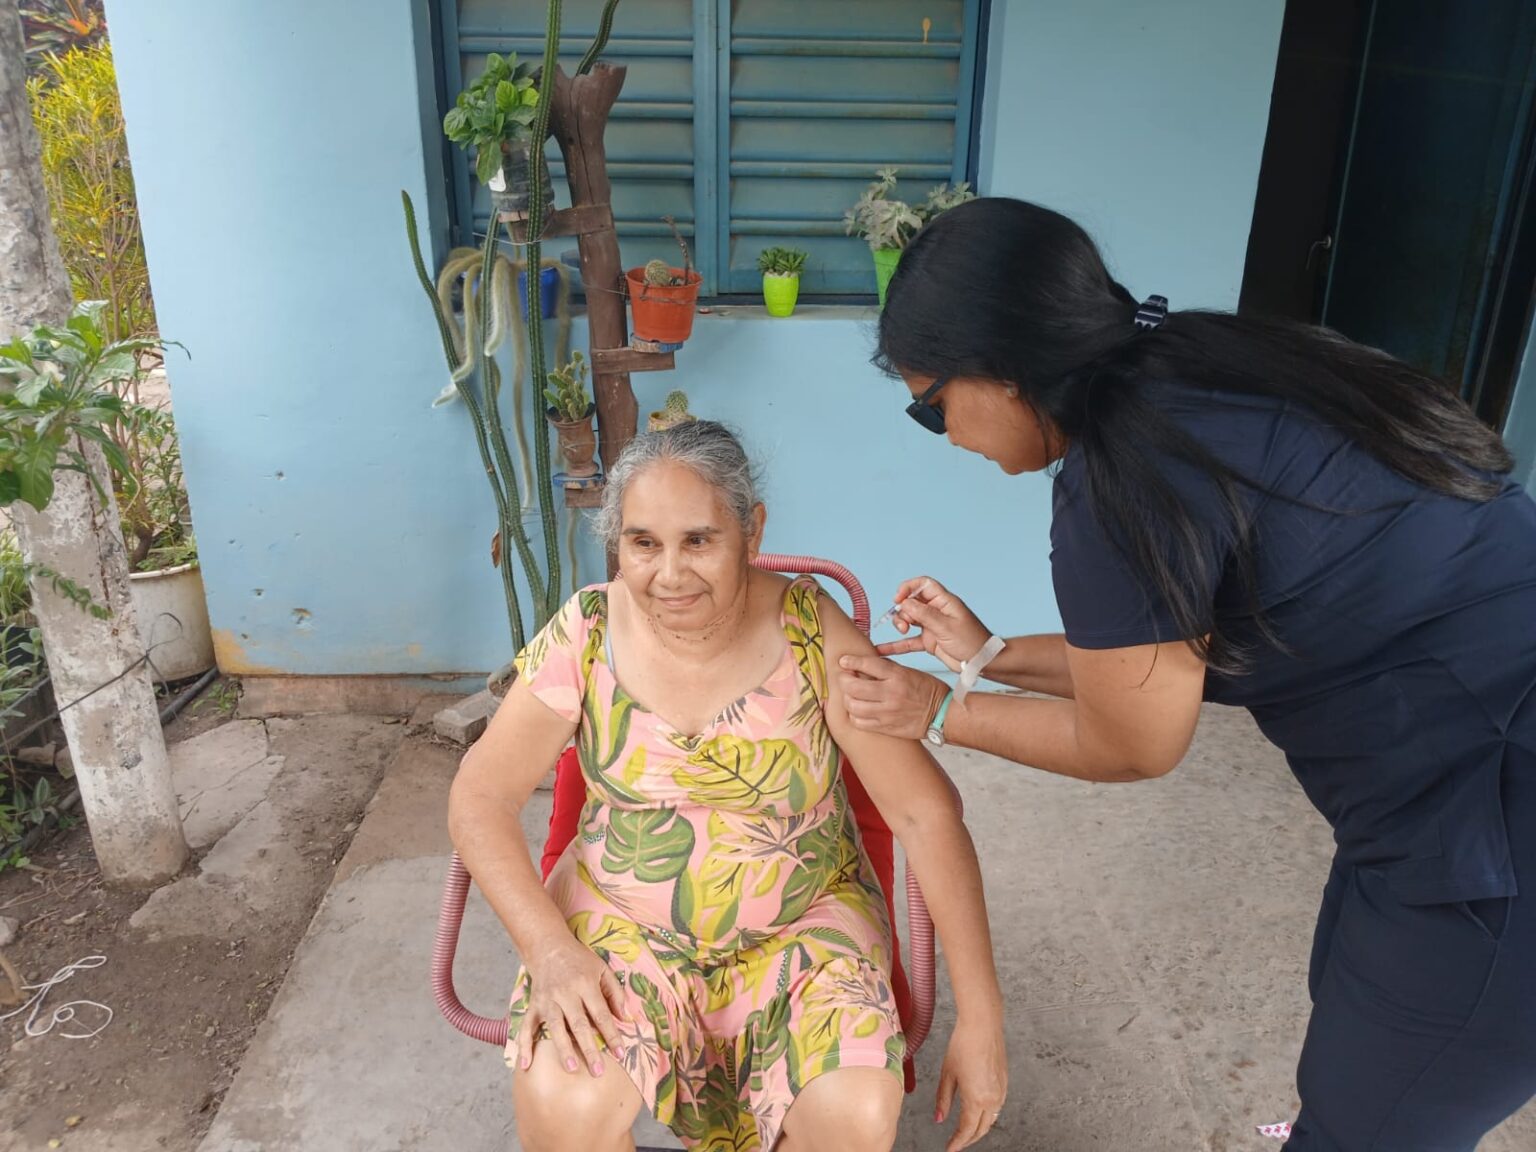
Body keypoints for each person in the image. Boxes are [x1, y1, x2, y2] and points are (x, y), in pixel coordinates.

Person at [838, 196, 1536, 1150]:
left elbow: (1130, 743)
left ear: (1001, 372)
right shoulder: (1196, 368)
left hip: (1495, 817)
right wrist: (989, 658)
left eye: (932, 408)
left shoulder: (1122, 481)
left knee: (1380, 1112)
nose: (947, 435)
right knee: (1351, 999)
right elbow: (1152, 664)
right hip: (1439, 779)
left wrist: (932, 711)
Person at [449, 421, 1008, 1152]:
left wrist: (983, 1016)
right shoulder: (586, 631)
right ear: (616, 542)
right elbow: (480, 797)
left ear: (752, 530)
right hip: (621, 925)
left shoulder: (812, 630)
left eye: (699, 541)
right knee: (565, 1097)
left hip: (801, 927)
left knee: (856, 1111)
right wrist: (550, 953)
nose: (670, 574)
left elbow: (926, 813)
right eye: (643, 542)